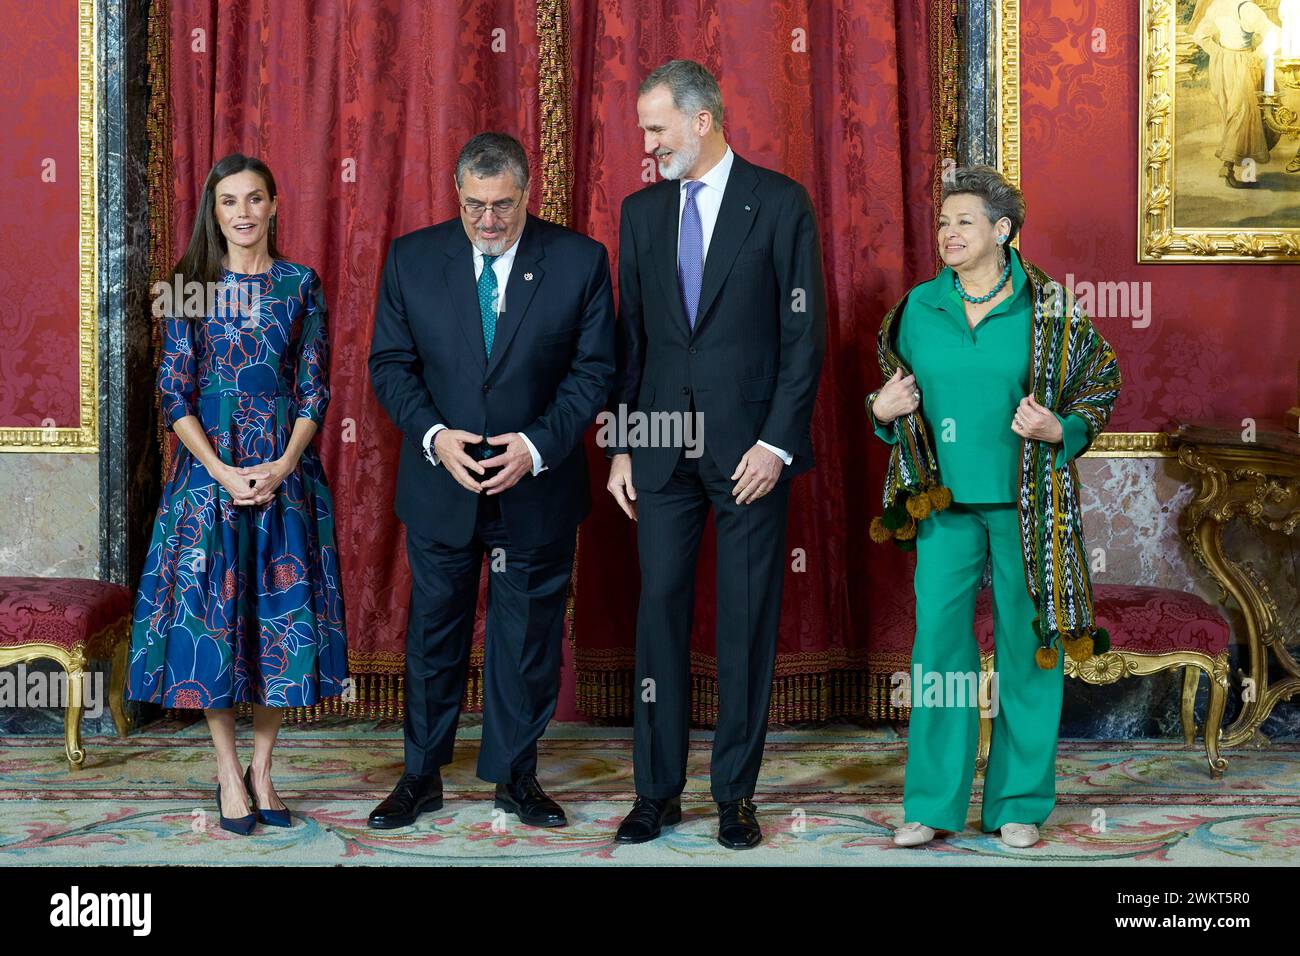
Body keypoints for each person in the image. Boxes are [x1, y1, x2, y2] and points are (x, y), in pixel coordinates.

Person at [867, 165, 1121, 849]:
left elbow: (1101, 382)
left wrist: (1059, 431)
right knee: (938, 654)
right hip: (943, 508)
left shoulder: (1049, 307)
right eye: (944, 221)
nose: (948, 233)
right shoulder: (916, 310)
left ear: (1002, 231)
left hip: (1027, 509)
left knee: (1029, 650)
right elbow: (895, 402)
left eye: (964, 222)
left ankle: (1019, 804)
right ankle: (930, 804)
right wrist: (880, 412)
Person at [606, 60, 825, 849]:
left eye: (657, 127)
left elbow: (805, 338)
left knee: (743, 624)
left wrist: (776, 443)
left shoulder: (780, 203)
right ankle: (655, 795)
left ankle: (736, 795)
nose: (649, 142)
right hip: (662, 448)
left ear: (703, 121)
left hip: (750, 454)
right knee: (658, 617)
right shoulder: (639, 212)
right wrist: (624, 443)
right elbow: (630, 340)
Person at [367, 132, 615, 830]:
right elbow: (390, 363)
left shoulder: (579, 261)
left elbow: (595, 370)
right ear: (457, 194)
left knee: (528, 640)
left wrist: (537, 446)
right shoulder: (413, 258)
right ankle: (420, 777)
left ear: (527, 192)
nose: (489, 220)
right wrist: (433, 436)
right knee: (432, 635)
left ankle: (517, 777)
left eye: (503, 204)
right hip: (441, 483)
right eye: (475, 205)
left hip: (535, 485)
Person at [128, 153, 348, 834]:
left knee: (281, 620)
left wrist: (283, 464)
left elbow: (315, 387)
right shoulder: (188, 287)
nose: (244, 213)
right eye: (229, 201)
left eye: (255, 199)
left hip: (285, 475)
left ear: (275, 205)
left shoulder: (300, 284)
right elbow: (173, 394)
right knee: (213, 625)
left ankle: (262, 767)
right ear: (213, 211)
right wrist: (222, 471)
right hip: (207, 479)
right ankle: (226, 769)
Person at [1190, 0, 1285, 187]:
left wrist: (1218, 52)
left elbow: (1200, 36)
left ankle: (1231, 166)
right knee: (1240, 114)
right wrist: (1258, 55)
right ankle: (1228, 167)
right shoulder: (1247, 8)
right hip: (1242, 64)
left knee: (1235, 113)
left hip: (1222, 64)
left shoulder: (1217, 5)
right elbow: (1276, 33)